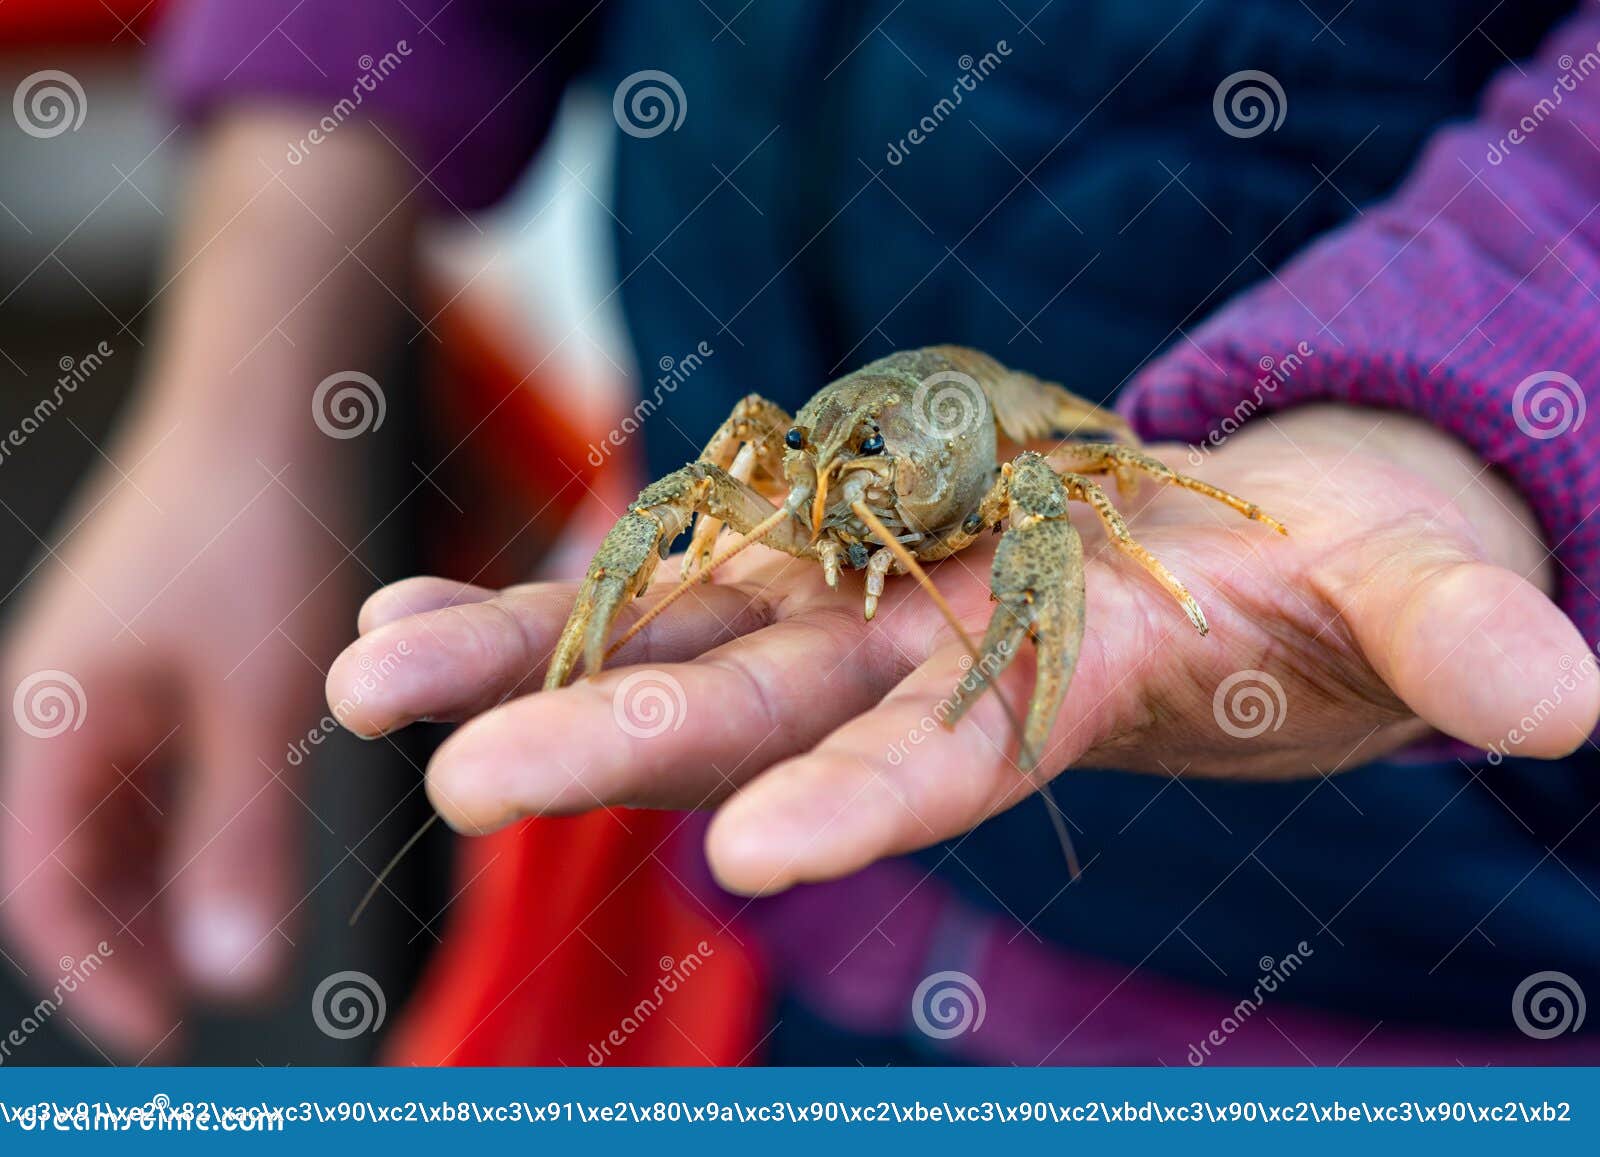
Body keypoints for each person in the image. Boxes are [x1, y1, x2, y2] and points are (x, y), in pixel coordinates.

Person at [5, 0, 1600, 1063]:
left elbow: (1106, 479)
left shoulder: (1032, 462)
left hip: (1423, 987)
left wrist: (1463, 385)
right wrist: (244, 375)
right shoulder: (803, 476)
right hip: (803, 926)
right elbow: (714, 496)